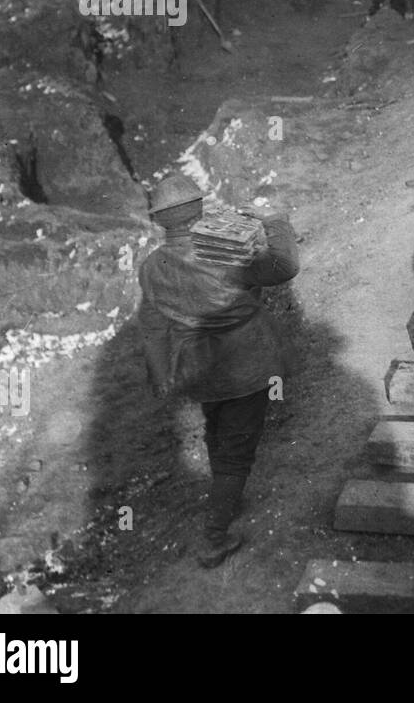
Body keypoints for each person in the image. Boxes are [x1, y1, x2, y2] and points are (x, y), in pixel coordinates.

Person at [137, 175, 300, 568]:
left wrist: (162, 376)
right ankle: (214, 536)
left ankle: (227, 494)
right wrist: (275, 223)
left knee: (219, 431)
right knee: (236, 451)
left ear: (160, 220)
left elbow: (153, 325)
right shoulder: (224, 250)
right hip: (247, 359)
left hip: (198, 368)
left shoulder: (152, 266)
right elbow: (283, 267)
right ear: (197, 208)